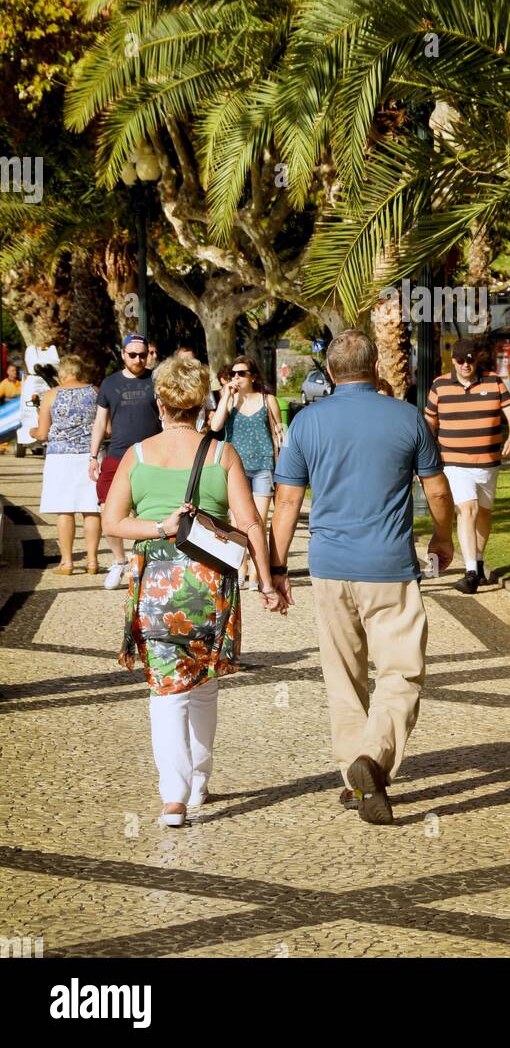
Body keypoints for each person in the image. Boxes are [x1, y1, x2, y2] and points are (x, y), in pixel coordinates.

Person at [270, 329, 454, 825]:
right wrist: (443, 539)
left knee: (344, 677)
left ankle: (356, 781)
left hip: (330, 568)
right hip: (390, 567)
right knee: (401, 672)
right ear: (377, 369)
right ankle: (372, 758)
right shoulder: (406, 417)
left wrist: (277, 565)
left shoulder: (306, 423)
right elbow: (437, 491)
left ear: (330, 372)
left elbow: (287, 500)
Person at [102, 355, 289, 828]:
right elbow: (249, 524)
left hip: (158, 587)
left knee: (166, 692)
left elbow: (112, 522)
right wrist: (267, 583)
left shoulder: (137, 455)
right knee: (204, 685)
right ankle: (200, 781)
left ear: (160, 403)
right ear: (203, 401)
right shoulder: (221, 454)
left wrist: (157, 526)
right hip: (211, 585)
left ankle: (174, 796)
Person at [424, 337, 510, 595]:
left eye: (470, 359)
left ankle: (477, 562)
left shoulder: (493, 381)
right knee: (468, 509)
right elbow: (429, 422)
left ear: (476, 359)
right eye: (460, 360)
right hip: (454, 462)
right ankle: (469, 574)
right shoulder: (440, 386)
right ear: (453, 360)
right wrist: (427, 450)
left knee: (484, 514)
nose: (465, 365)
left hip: (488, 462)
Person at [89, 333, 161, 590]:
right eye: (133, 355)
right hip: (116, 456)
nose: (139, 359)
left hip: (151, 456)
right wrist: (93, 455)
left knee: (147, 512)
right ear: (122, 354)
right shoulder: (109, 383)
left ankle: (144, 562)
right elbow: (100, 422)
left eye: (143, 355)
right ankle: (119, 560)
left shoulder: (156, 380)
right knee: (107, 510)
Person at [210, 357, 283, 589]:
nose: (237, 378)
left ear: (253, 376)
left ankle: (255, 572)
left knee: (258, 521)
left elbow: (277, 436)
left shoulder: (267, 399)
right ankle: (240, 565)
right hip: (235, 468)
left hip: (263, 466)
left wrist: (279, 466)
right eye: (233, 374)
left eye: (242, 373)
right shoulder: (229, 401)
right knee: (239, 522)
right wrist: (227, 396)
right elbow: (215, 427)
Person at [29, 354, 101, 574]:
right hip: (90, 455)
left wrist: (32, 431)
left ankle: (67, 562)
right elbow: (105, 428)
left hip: (60, 458)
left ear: (62, 372)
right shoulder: (95, 392)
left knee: (65, 511)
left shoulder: (50, 395)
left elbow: (41, 434)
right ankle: (92, 561)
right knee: (91, 509)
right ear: (80, 371)